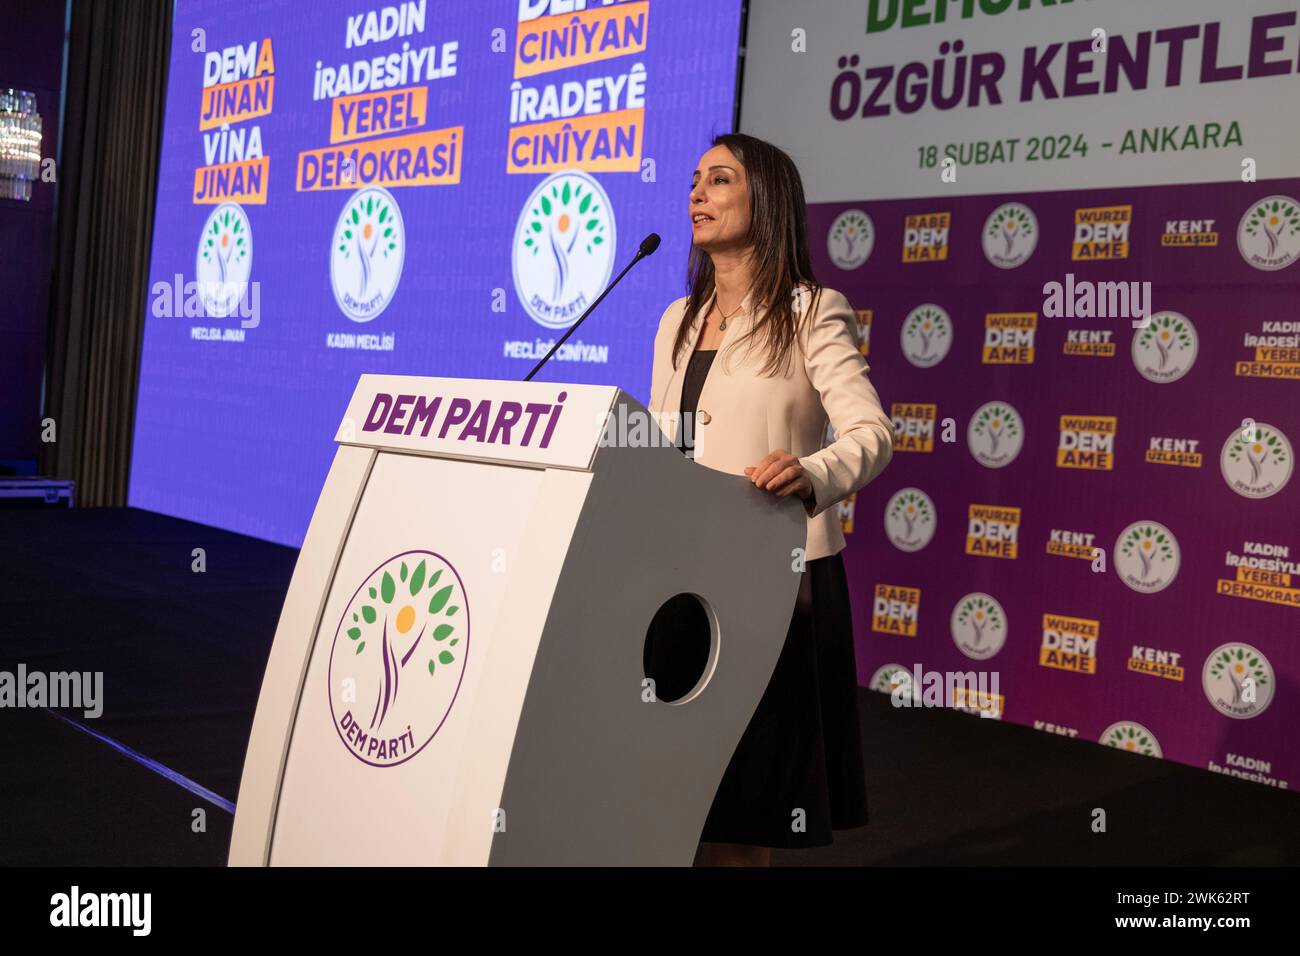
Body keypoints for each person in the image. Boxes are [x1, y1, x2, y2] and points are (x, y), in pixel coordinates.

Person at [647, 132, 894, 866]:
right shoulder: (676, 320)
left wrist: (813, 471)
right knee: (673, 794)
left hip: (773, 579)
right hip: (677, 580)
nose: (697, 193)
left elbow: (874, 432)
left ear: (769, 200)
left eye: (719, 180)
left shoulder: (813, 310)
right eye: (695, 179)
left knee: (747, 808)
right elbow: (672, 440)